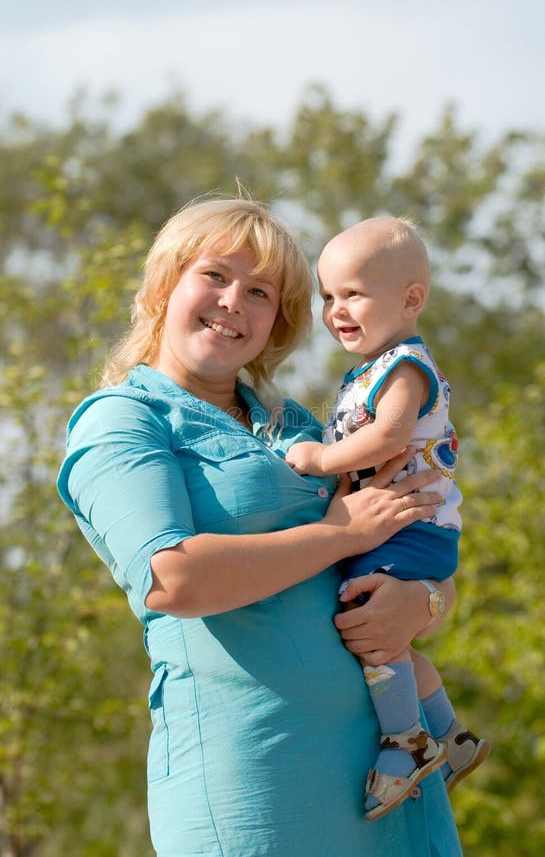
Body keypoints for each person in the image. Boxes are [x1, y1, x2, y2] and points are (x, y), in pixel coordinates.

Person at [57, 198, 462, 856]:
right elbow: (173, 578)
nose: (233, 301)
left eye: (260, 291)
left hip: (393, 779)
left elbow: (414, 531)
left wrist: (423, 602)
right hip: (261, 787)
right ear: (165, 286)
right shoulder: (124, 420)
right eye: (214, 276)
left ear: (276, 320)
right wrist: (340, 535)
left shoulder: (305, 427)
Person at [286, 216, 491, 821]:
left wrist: (323, 458)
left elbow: (391, 433)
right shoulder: (369, 370)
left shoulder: (406, 367)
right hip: (399, 523)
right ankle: (452, 738)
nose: (336, 309)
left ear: (411, 299)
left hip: (411, 526)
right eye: (327, 296)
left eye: (352, 294)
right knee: (389, 640)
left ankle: (406, 741)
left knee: (368, 623)